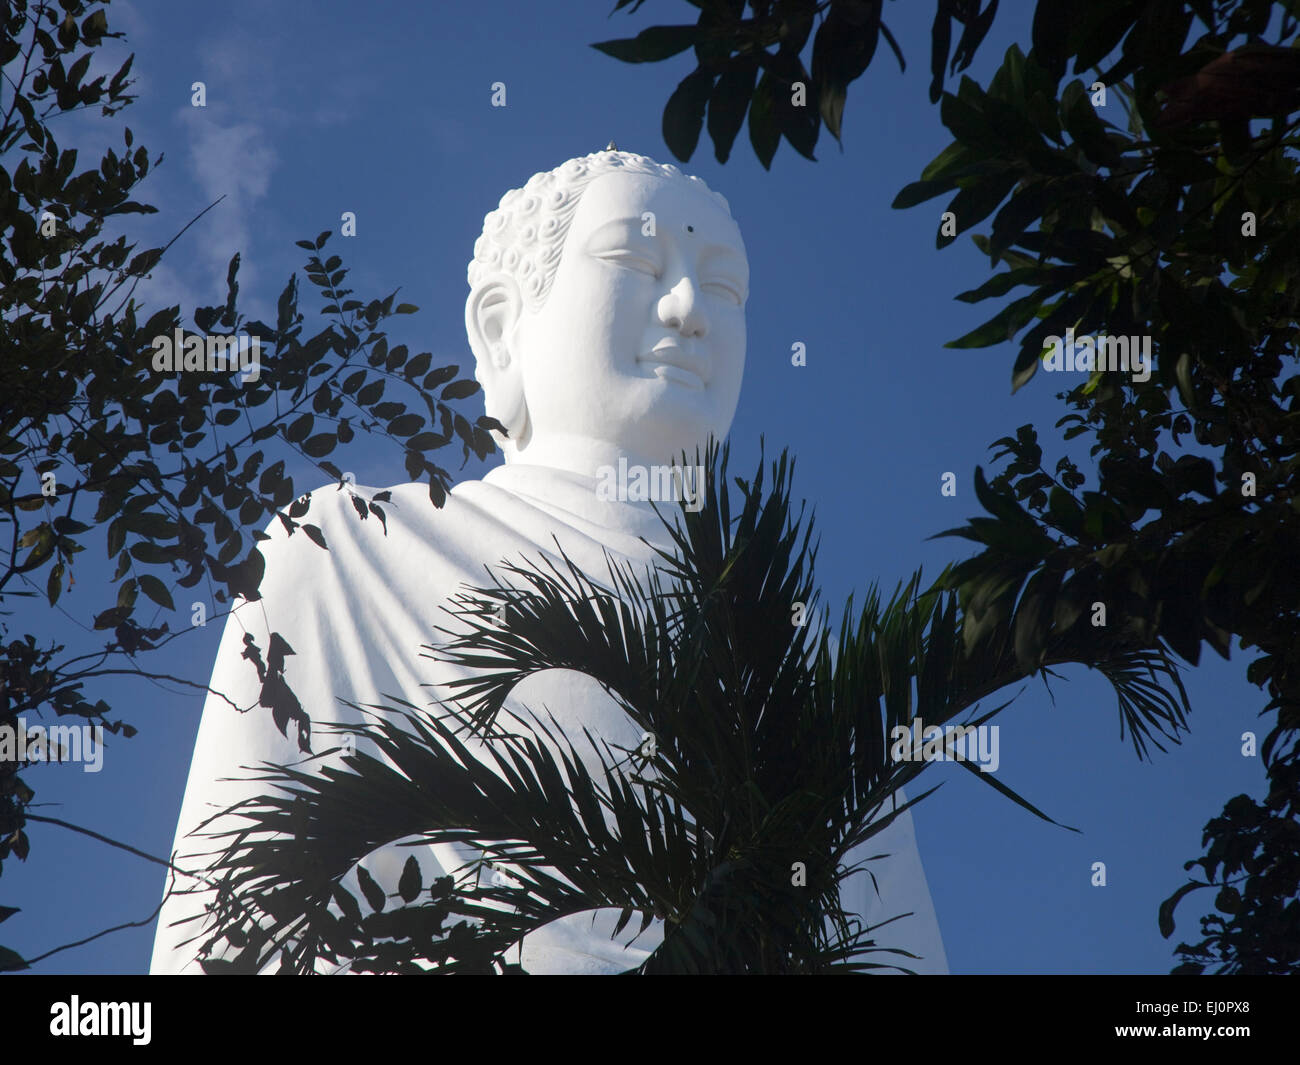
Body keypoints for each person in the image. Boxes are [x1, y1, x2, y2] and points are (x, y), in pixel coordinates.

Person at [150, 149, 948, 974]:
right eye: (636, 261)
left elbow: (897, 952)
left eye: (724, 289)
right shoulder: (347, 547)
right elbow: (222, 911)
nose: (688, 311)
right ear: (502, 325)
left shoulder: (789, 646)